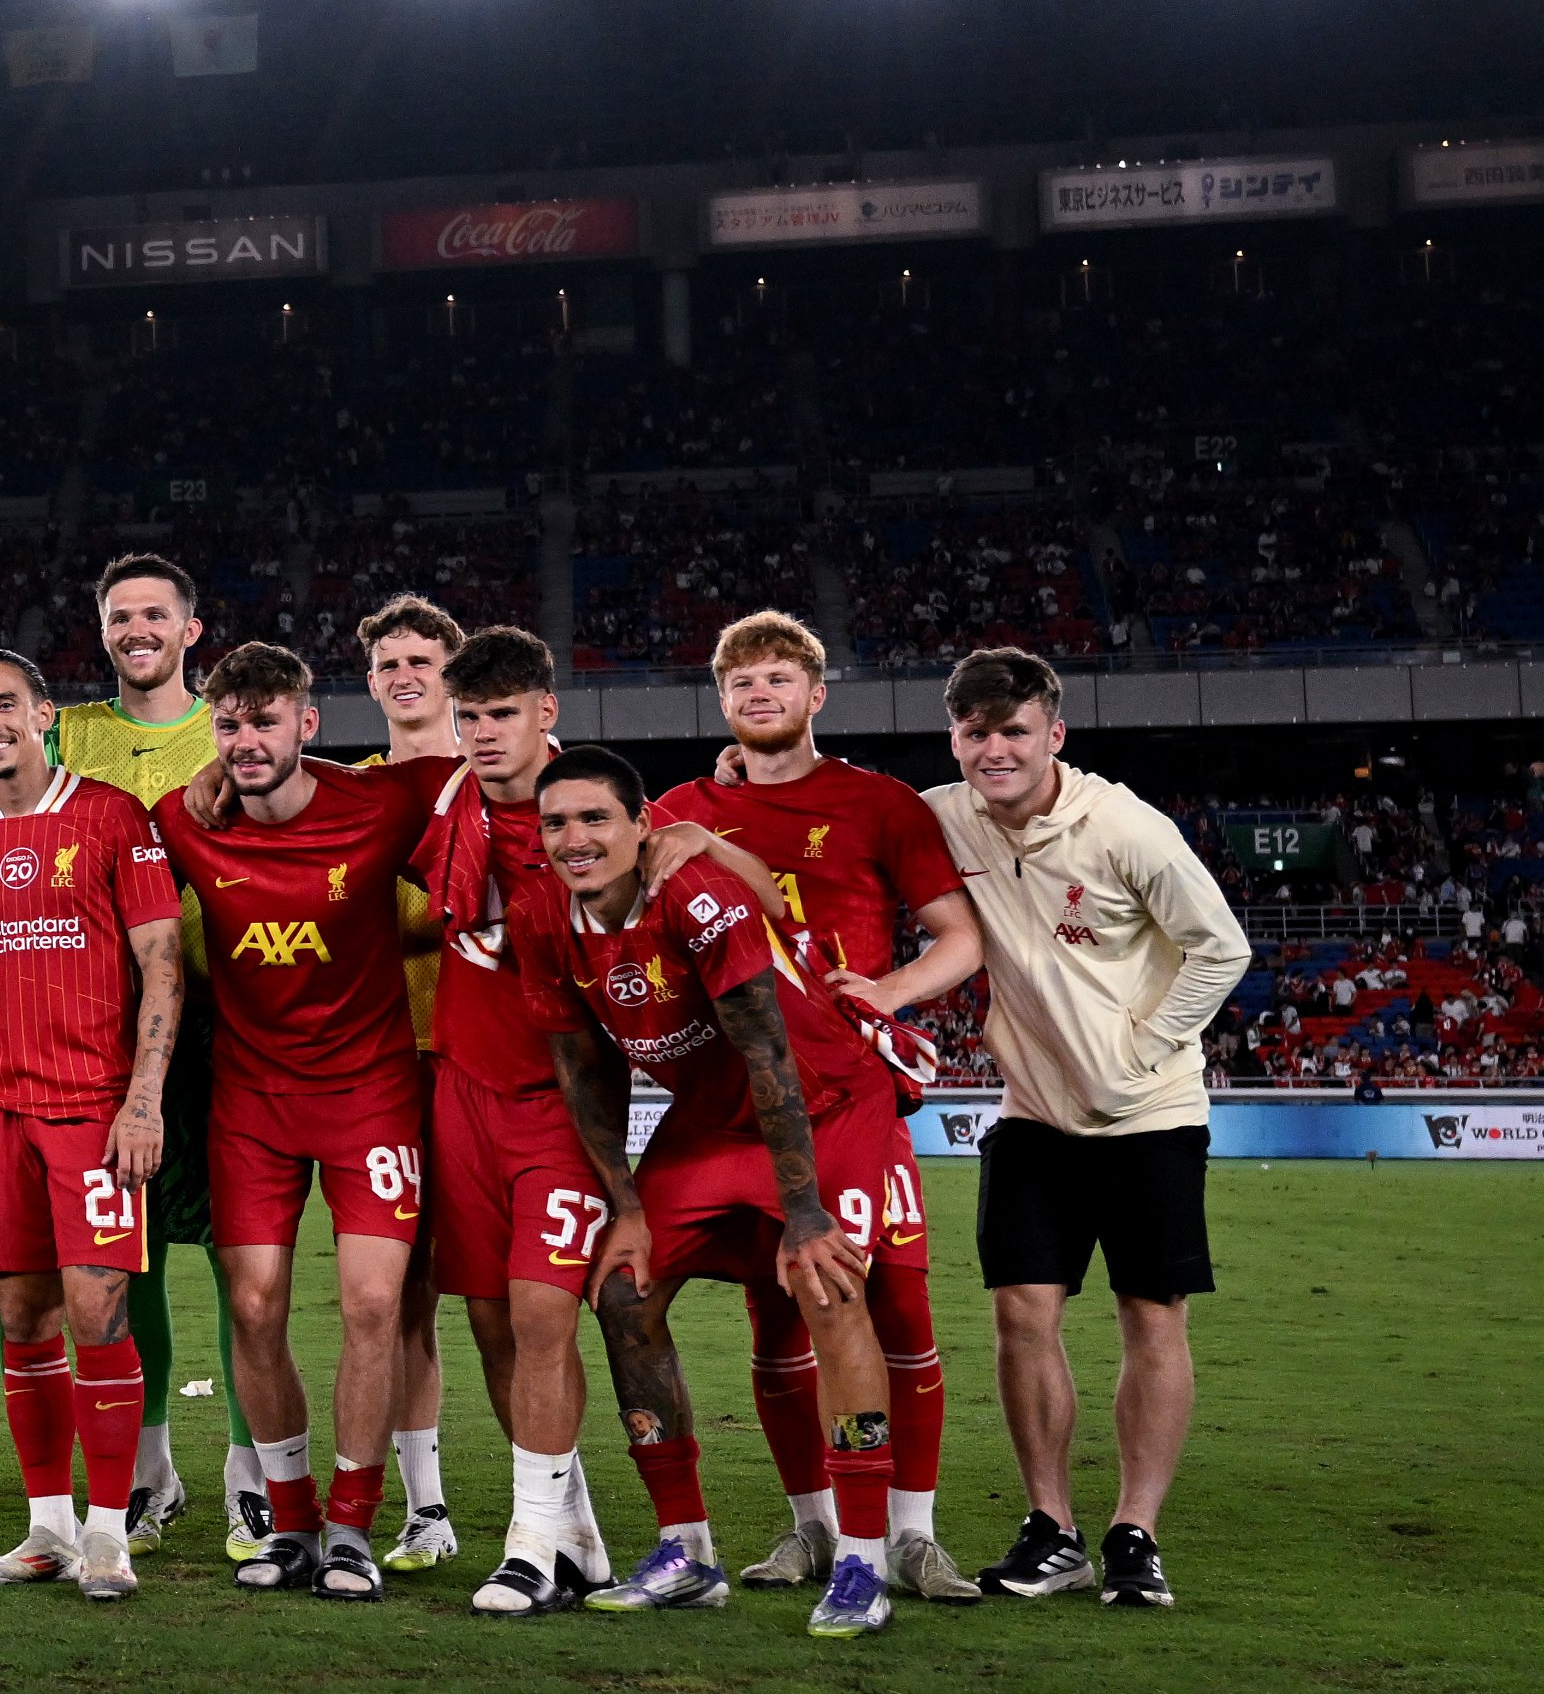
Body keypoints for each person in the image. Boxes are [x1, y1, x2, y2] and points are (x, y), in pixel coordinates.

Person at [517, 746, 909, 1641]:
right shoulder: (540, 910)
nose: (575, 839)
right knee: (624, 1292)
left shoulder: (697, 895)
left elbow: (768, 1050)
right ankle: (686, 1552)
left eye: (595, 818)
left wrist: (803, 1213)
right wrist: (626, 1205)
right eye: (556, 823)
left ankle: (862, 1561)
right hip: (707, 1120)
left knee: (827, 1284)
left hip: (821, 1102)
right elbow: (582, 1067)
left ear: (640, 824)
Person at [659, 610, 987, 1600]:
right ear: (721, 701)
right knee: (775, 1318)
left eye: (777, 679)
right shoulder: (679, 810)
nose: (758, 694)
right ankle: (813, 1526)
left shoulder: (878, 803)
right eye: (741, 683)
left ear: (816, 695)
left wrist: (888, 992)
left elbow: (959, 936)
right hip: (743, 1103)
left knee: (897, 1306)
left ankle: (912, 1536)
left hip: (852, 1100)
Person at [927, 648, 1250, 1611]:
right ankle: (1052, 1529)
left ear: (1054, 734)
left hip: (1150, 1113)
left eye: (1014, 731)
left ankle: (1134, 1532)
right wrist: (739, 776)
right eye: (976, 733)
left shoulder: (1125, 827)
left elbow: (1221, 946)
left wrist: (1141, 1052)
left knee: (1151, 1316)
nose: (995, 750)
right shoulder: (942, 816)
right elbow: (843, 808)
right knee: (1021, 1314)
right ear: (955, 738)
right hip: (1033, 1113)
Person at [154, 644, 452, 1601]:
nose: (246, 741)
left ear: (307, 724)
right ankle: (291, 1522)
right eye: (229, 724)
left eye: (265, 721)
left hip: (371, 1097)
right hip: (251, 1106)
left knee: (373, 1307)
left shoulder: (384, 804)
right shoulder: (182, 821)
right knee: (253, 1308)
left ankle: (354, 1528)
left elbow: (507, 775)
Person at [0, 649, 184, 1604]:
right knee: (21, 1319)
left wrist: (143, 1099)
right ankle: (49, 1528)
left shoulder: (111, 817)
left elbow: (162, 964)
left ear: (44, 715)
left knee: (98, 1314)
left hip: (91, 1112)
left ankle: (110, 1533)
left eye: (4, 705)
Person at [415, 629, 622, 1615]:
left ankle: (529, 1546)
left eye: (502, 713)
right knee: (492, 1321)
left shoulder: (595, 820)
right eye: (469, 717)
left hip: (559, 1098)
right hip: (461, 1090)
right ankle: (572, 1533)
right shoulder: (446, 804)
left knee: (544, 1315)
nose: (484, 733)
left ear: (546, 710)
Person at [48, 553, 243, 1551]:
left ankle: (254, 1473)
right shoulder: (68, 733)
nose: (137, 629)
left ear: (190, 629)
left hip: (233, 1022)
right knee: (135, 1257)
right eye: (119, 615)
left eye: (155, 614)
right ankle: (150, 1473)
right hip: (102, 1029)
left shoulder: (234, 729)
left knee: (243, 1258)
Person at [357, 594, 468, 1574]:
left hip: (490, 1068)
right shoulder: (347, 792)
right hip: (383, 1069)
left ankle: (563, 1510)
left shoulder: (504, 778)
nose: (403, 676)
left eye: (420, 661)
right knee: (402, 1295)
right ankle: (425, 1510)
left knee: (524, 1300)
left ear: (452, 677)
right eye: (388, 663)